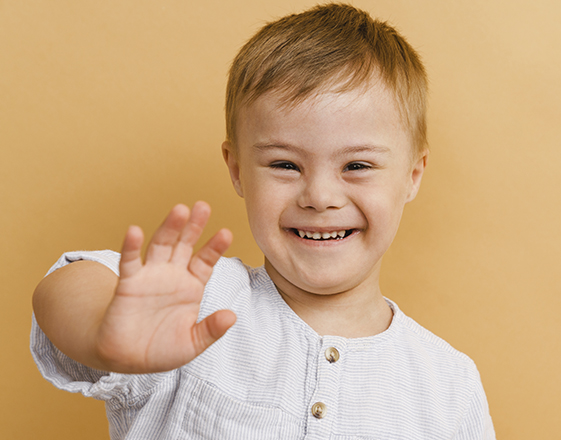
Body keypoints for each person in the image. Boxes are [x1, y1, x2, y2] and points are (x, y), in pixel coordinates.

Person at [30, 3, 495, 439]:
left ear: (412, 176)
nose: (320, 197)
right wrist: (102, 331)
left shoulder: (449, 385)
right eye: (285, 165)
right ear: (237, 170)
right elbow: (67, 283)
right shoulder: (194, 304)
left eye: (357, 166)